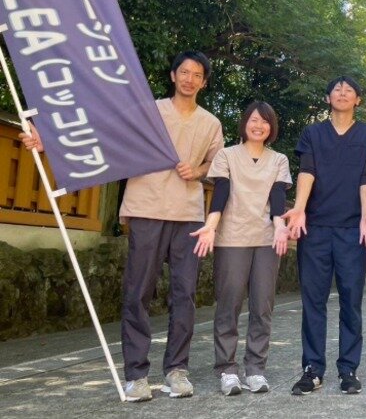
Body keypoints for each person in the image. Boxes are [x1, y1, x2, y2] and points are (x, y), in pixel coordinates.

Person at [19, 51, 222, 402]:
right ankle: (136, 375)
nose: (189, 79)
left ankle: (177, 371)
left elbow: (214, 164)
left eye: (197, 74)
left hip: (188, 215)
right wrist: (46, 138)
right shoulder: (149, 111)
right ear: (173, 75)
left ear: (203, 82)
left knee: (185, 294)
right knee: (137, 292)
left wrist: (198, 171)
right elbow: (103, 132)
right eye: (184, 72)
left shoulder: (211, 123)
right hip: (145, 207)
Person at [284, 76, 366, 396]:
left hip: (352, 230)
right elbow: (307, 171)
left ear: (358, 100)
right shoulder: (313, 133)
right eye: (337, 90)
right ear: (328, 98)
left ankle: (348, 369)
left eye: (349, 90)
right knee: (313, 301)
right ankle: (312, 369)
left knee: (351, 301)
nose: (342, 93)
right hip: (315, 229)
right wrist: (300, 209)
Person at [189, 101, 292, 396]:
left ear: (272, 127)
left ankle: (256, 369)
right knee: (229, 303)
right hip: (232, 237)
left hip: (266, 240)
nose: (259, 125)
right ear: (245, 123)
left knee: (262, 305)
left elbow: (277, 197)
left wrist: (280, 226)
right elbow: (221, 191)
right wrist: (211, 225)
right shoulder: (227, 155)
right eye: (253, 120)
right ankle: (227, 369)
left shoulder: (279, 160)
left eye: (265, 121)